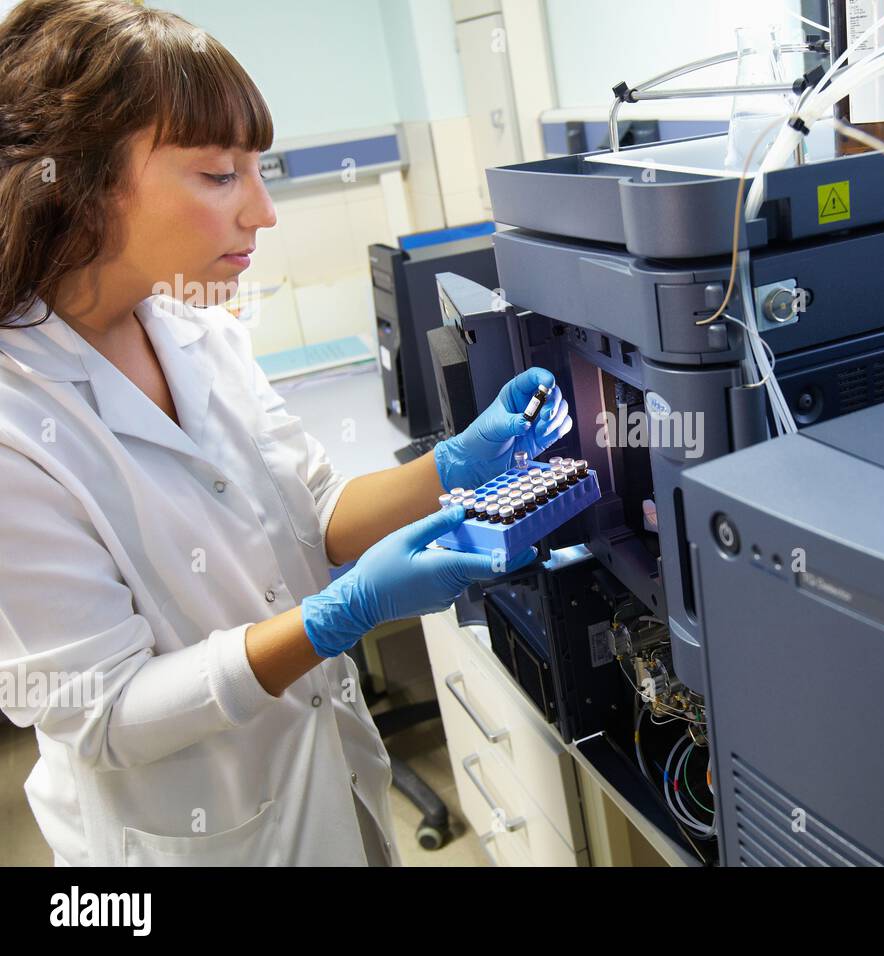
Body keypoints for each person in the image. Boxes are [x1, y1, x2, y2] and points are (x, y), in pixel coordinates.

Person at [0, 0, 571, 865]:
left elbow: (315, 509)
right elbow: (107, 713)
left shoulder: (194, 323)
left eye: (258, 170)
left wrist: (453, 464)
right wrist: (339, 616)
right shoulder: (18, 421)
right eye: (219, 175)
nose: (263, 212)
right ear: (77, 181)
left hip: (332, 781)